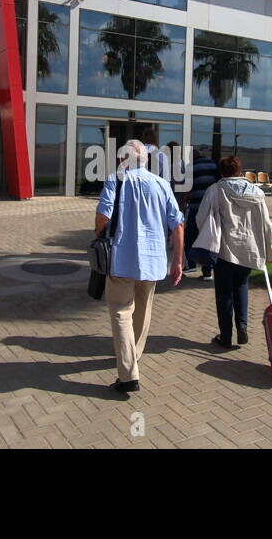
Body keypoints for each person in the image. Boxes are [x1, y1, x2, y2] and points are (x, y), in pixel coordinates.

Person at [95, 140, 185, 394]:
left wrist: (98, 236)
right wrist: (178, 261)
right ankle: (133, 357)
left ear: (123, 159)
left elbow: (104, 215)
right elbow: (178, 224)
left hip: (122, 259)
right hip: (153, 259)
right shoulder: (162, 184)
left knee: (121, 311)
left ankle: (128, 374)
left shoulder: (116, 180)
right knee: (143, 312)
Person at [195, 155, 272, 350]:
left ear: (221, 171)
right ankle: (242, 326)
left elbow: (201, 218)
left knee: (224, 293)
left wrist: (206, 235)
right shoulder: (257, 192)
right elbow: (266, 224)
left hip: (223, 249)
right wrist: (270, 251)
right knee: (241, 285)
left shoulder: (215, 190)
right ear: (240, 171)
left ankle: (226, 335)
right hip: (249, 249)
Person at [182, 149, 220, 280]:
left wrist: (184, 204)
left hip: (195, 207)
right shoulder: (213, 165)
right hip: (211, 207)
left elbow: (187, 190)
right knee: (208, 238)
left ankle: (191, 264)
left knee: (190, 236)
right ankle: (207, 271)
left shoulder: (190, 168)